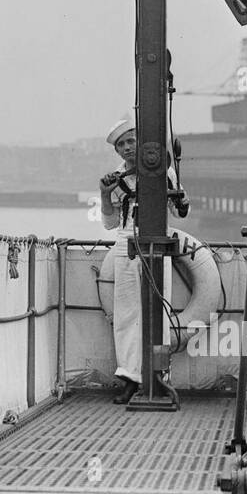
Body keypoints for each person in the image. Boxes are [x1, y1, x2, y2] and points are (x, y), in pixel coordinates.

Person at [98, 118, 144, 403]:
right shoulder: (115, 179)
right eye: (121, 145)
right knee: (126, 313)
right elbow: (109, 223)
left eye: (131, 141)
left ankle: (156, 375)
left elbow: (178, 211)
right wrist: (104, 195)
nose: (127, 148)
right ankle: (129, 376)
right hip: (126, 242)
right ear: (117, 151)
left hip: (156, 240)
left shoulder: (163, 172)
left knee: (157, 310)